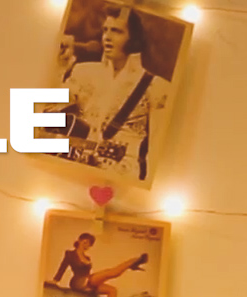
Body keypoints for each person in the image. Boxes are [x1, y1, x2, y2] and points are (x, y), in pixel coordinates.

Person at [62, 4, 170, 182]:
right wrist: (60, 67)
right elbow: (47, 111)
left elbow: (156, 148)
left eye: (117, 31)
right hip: (74, 170)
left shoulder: (156, 86)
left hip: (123, 176)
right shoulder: (83, 72)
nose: (107, 37)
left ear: (134, 39)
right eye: (105, 30)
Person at [52, 232, 150, 297]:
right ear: (79, 241)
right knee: (111, 272)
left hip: (88, 282)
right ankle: (134, 261)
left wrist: (92, 286)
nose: (86, 246)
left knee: (112, 290)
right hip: (78, 282)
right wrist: (55, 280)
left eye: (89, 244)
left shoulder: (87, 258)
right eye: (85, 242)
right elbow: (62, 267)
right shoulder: (70, 254)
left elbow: (89, 274)